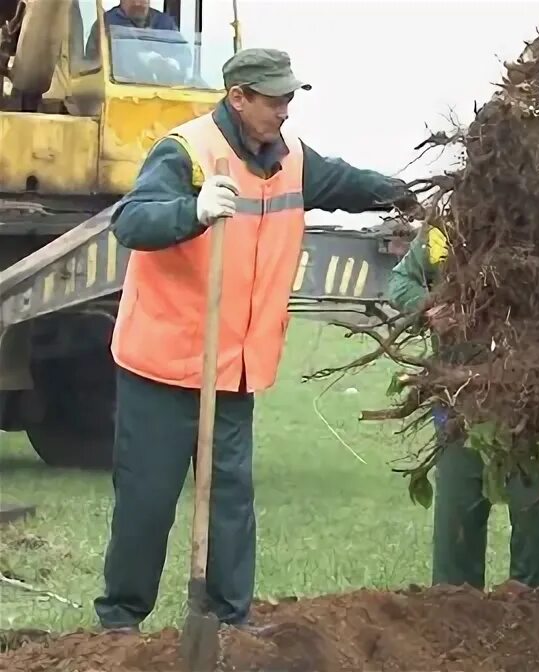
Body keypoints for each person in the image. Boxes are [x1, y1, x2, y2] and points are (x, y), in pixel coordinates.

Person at [94, 48, 421, 633]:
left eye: (290, 98)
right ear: (238, 97)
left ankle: (227, 620)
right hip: (163, 365)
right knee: (147, 502)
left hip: (234, 368)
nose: (285, 110)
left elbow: (346, 182)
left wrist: (407, 192)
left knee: (230, 504)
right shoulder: (186, 152)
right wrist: (190, 210)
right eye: (274, 100)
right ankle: (121, 623)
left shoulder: (293, 159)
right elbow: (132, 221)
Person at [388, 222, 539, 590]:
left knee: (537, 526)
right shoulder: (447, 228)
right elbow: (401, 282)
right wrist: (428, 309)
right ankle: (452, 621)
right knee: (457, 524)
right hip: (460, 403)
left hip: (533, 404)